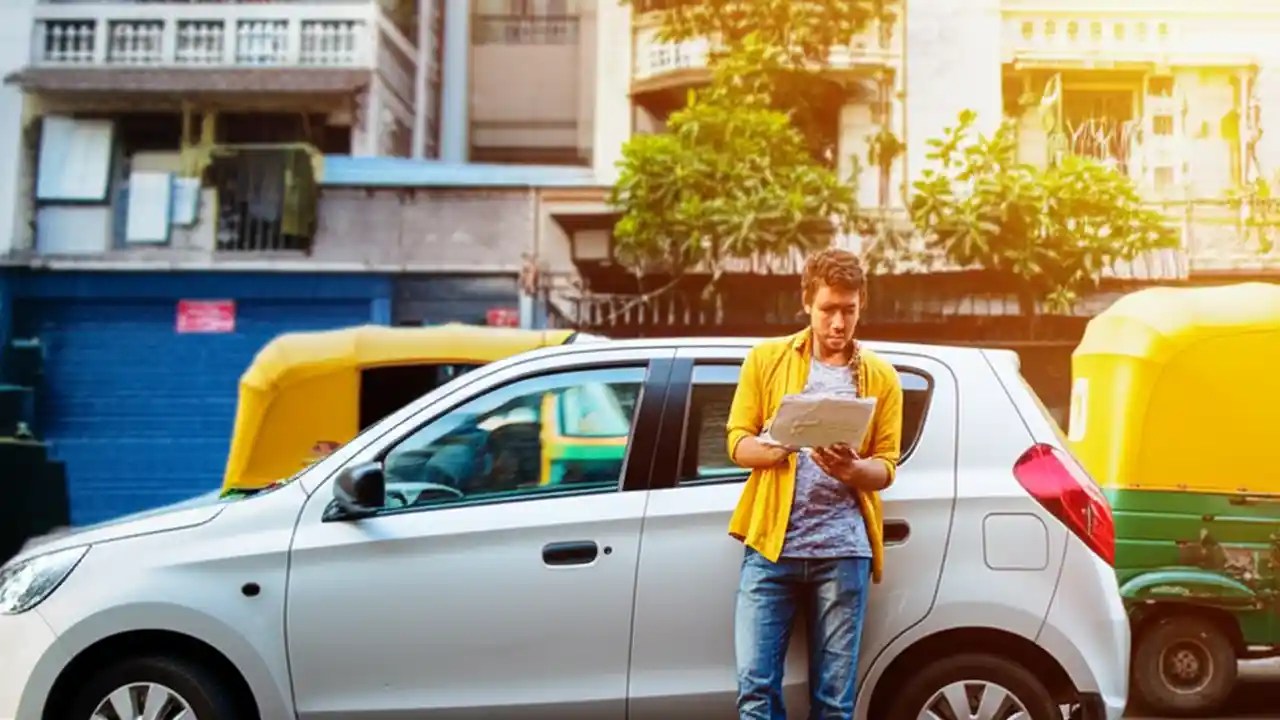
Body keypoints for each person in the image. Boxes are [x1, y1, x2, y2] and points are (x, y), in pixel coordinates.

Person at [725, 247, 904, 720]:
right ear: (807, 302)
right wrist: (780, 445)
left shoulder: (882, 378)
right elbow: (737, 443)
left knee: (834, 703)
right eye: (828, 310)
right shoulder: (767, 360)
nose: (839, 324)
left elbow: (886, 465)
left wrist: (853, 471)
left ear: (861, 303)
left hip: (843, 553)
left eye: (849, 310)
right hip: (771, 548)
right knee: (755, 692)